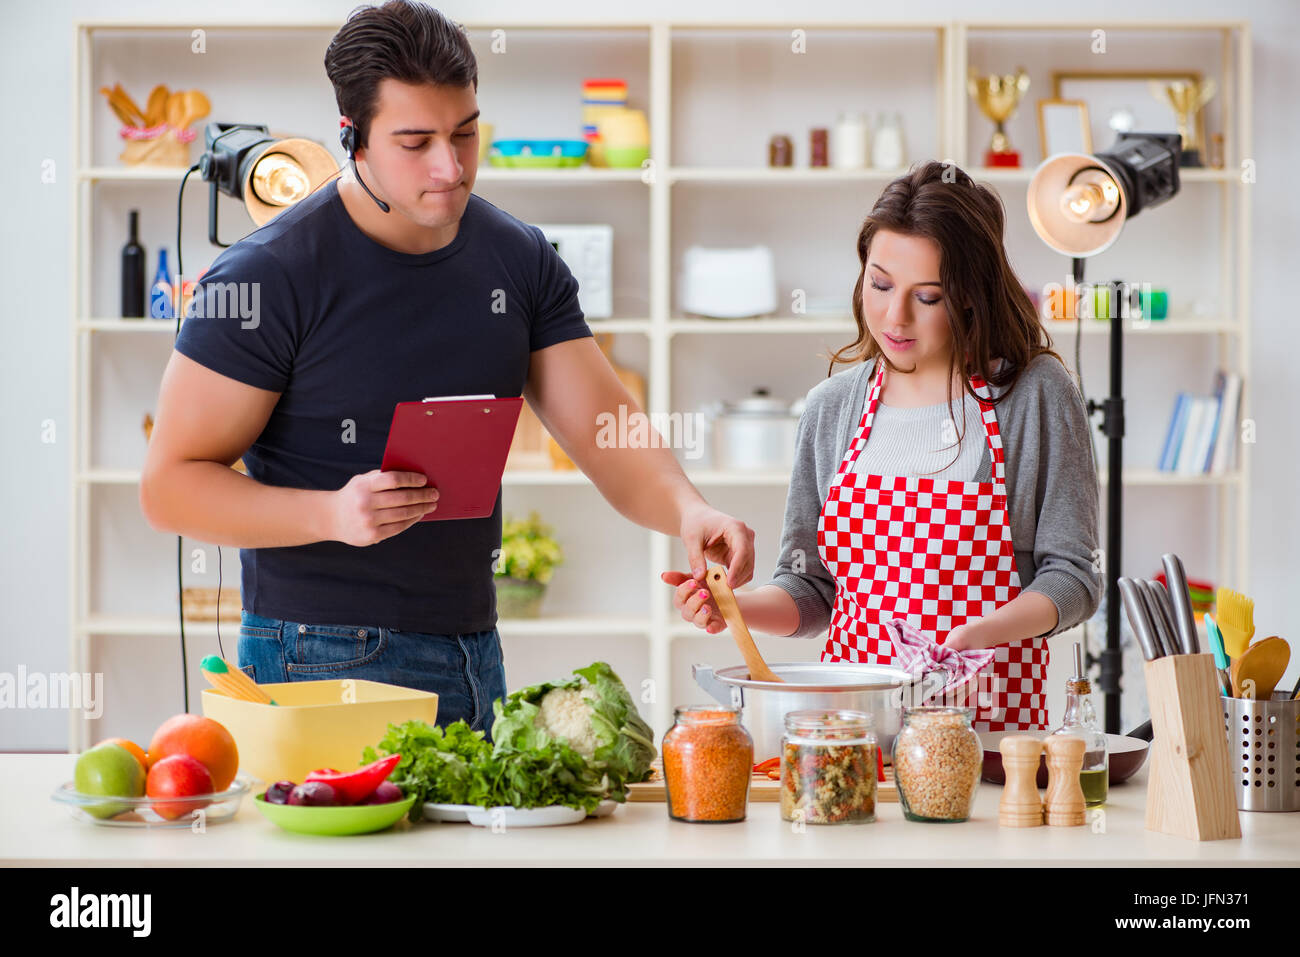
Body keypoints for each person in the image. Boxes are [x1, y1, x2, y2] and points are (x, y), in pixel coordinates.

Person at [140, 0, 753, 740]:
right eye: (416, 141)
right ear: (353, 141)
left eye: (465, 133)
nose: (451, 166)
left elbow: (604, 430)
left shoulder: (518, 256)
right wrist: (331, 514)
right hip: (317, 655)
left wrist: (691, 511)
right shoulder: (272, 274)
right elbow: (169, 486)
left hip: (473, 646)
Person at [663, 160, 1102, 732]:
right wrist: (731, 607)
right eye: (881, 284)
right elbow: (812, 588)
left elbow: (1073, 578)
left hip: (986, 736)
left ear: (971, 297)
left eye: (928, 297)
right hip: (850, 737)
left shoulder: (1034, 395)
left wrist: (975, 638)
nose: (894, 318)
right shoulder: (831, 407)